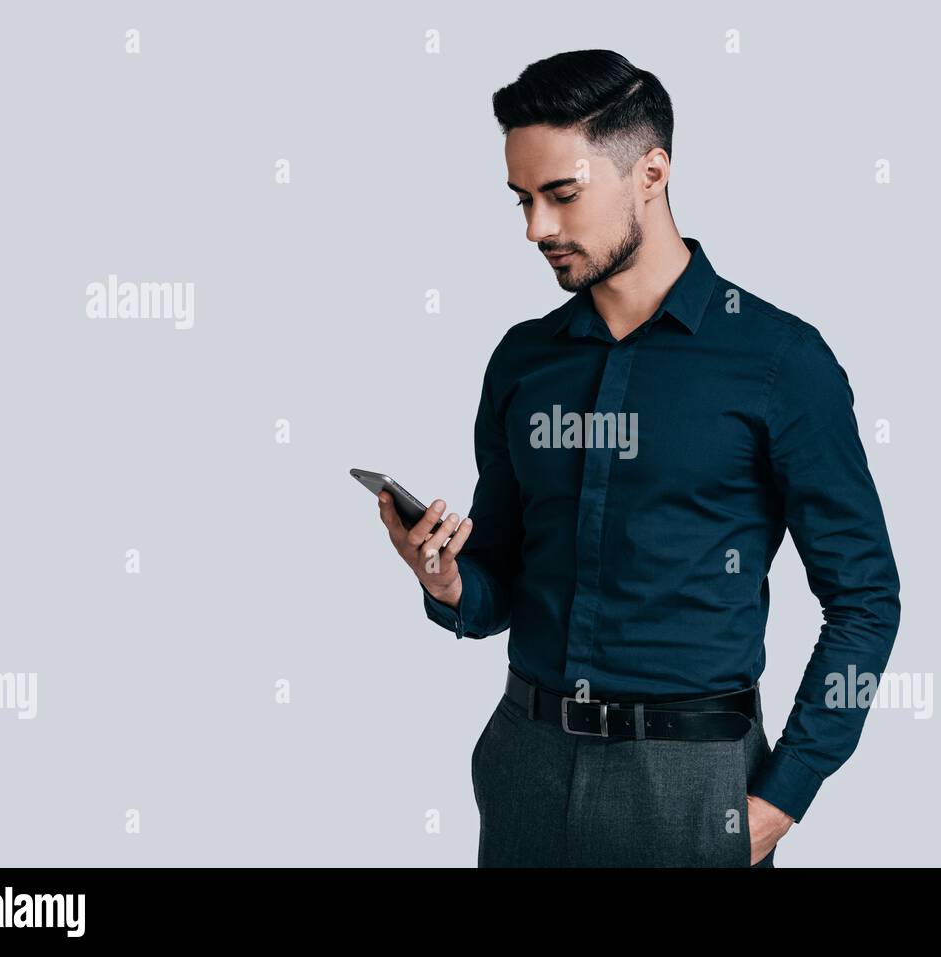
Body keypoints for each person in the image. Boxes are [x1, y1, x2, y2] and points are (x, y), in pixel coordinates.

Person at [377, 49, 901, 867]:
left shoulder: (778, 360)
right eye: (521, 199)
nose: (536, 228)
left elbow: (867, 600)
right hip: (526, 764)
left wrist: (782, 797)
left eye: (562, 194)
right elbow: (500, 580)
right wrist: (445, 581)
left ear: (650, 172)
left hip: (693, 783)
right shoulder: (524, 360)